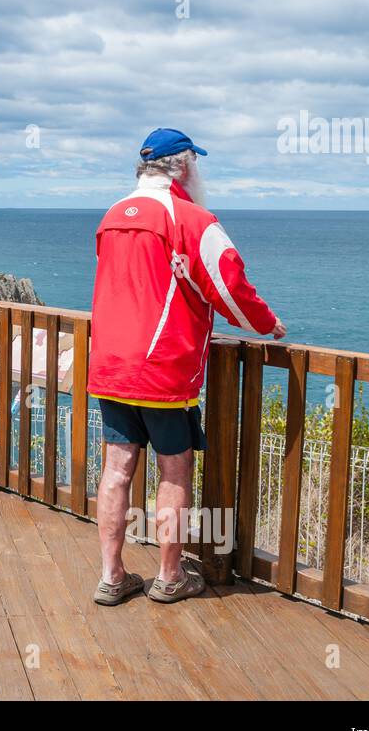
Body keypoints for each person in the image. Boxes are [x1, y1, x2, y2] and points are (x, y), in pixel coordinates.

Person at [88, 128, 286, 607]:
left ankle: (112, 576)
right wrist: (267, 325)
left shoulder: (112, 216)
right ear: (183, 165)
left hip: (111, 361)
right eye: (196, 162)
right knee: (173, 470)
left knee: (117, 469)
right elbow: (229, 282)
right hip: (161, 368)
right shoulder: (192, 218)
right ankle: (170, 575)